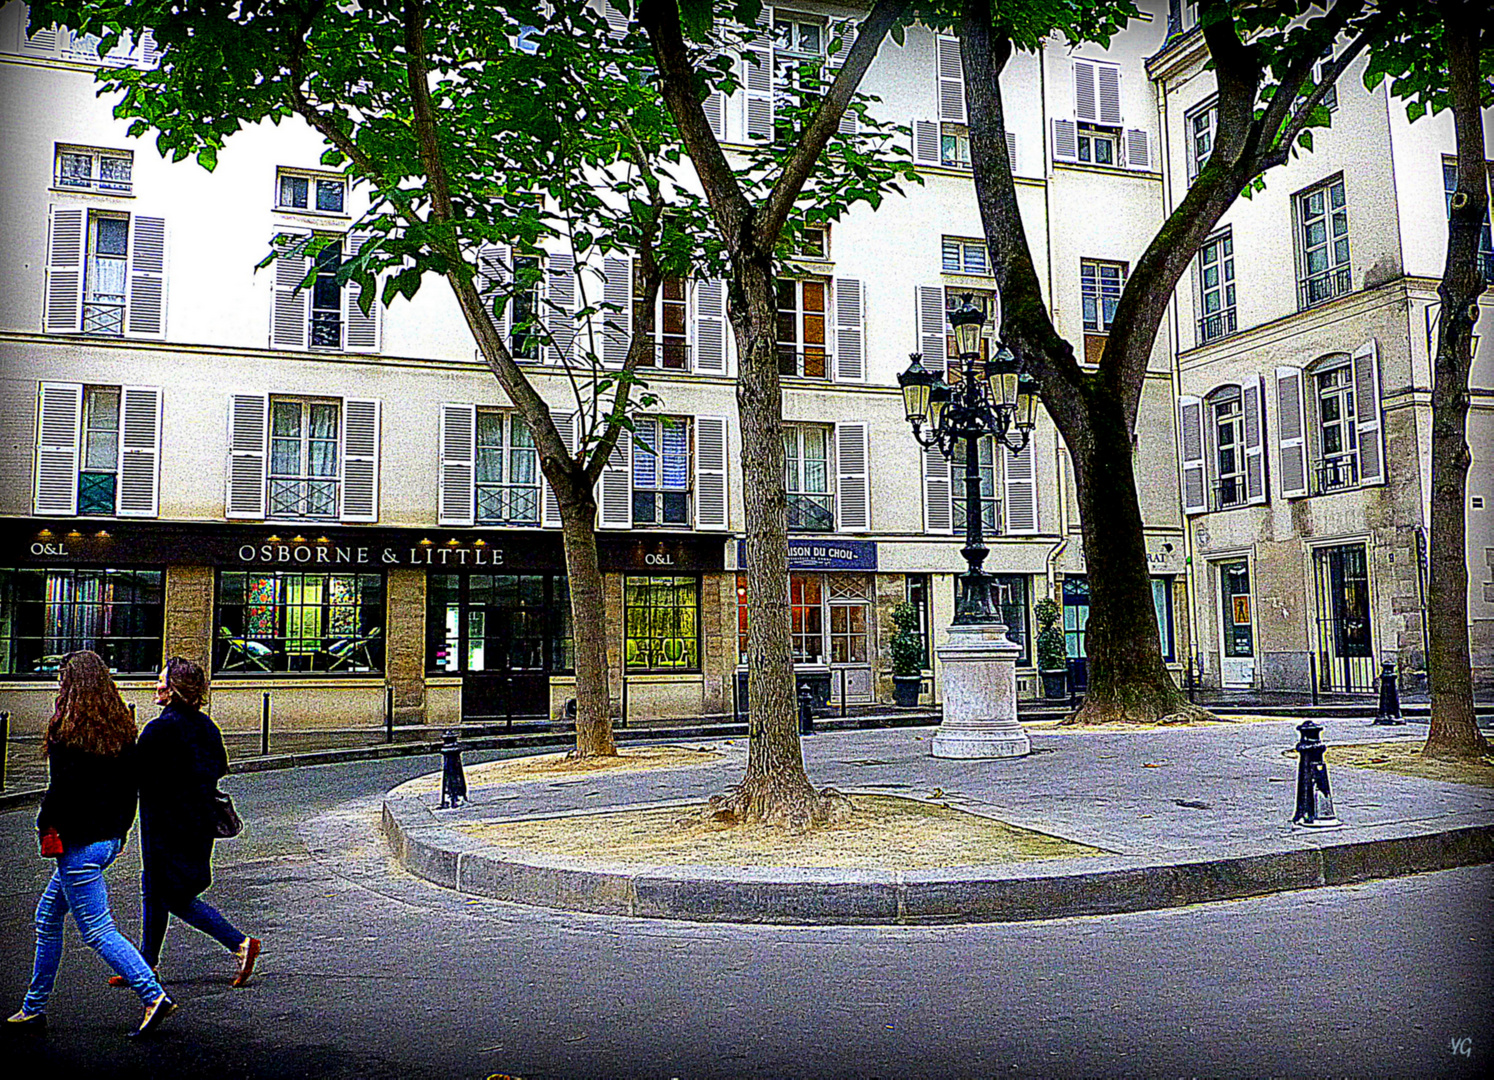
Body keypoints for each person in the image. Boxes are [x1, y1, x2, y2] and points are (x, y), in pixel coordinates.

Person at [7, 651, 177, 1037]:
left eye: (62, 679)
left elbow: (60, 793)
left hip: (77, 847)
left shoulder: (66, 729)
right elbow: (131, 788)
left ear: (71, 684)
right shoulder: (121, 726)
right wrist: (120, 835)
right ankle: (33, 1007)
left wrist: (45, 825)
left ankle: (153, 994)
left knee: (99, 930)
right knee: (47, 917)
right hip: (107, 840)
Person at [111, 657, 260, 989]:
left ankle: (238, 943)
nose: (156, 684)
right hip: (197, 823)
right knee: (154, 889)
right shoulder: (206, 726)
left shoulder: (159, 729)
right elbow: (219, 767)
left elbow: (132, 775)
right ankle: (146, 964)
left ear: (174, 688)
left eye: (162, 679)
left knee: (171, 896)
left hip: (165, 825)